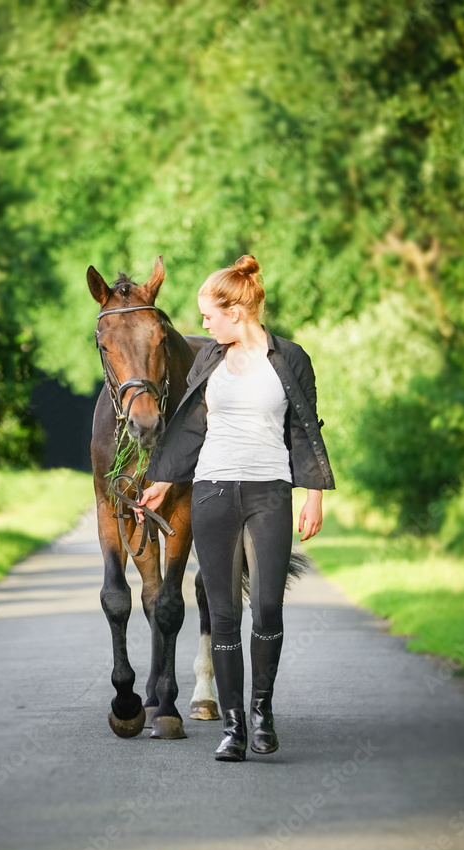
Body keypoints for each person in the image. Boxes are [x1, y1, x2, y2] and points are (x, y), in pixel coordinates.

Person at [136, 254, 335, 761]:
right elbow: (190, 425)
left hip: (269, 492)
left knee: (267, 607)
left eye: (209, 315)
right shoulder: (210, 360)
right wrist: (160, 481)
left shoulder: (290, 359)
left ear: (236, 311)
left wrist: (313, 493)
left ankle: (263, 712)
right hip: (213, 492)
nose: (203, 324)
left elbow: (304, 428)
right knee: (223, 614)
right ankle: (233, 727)